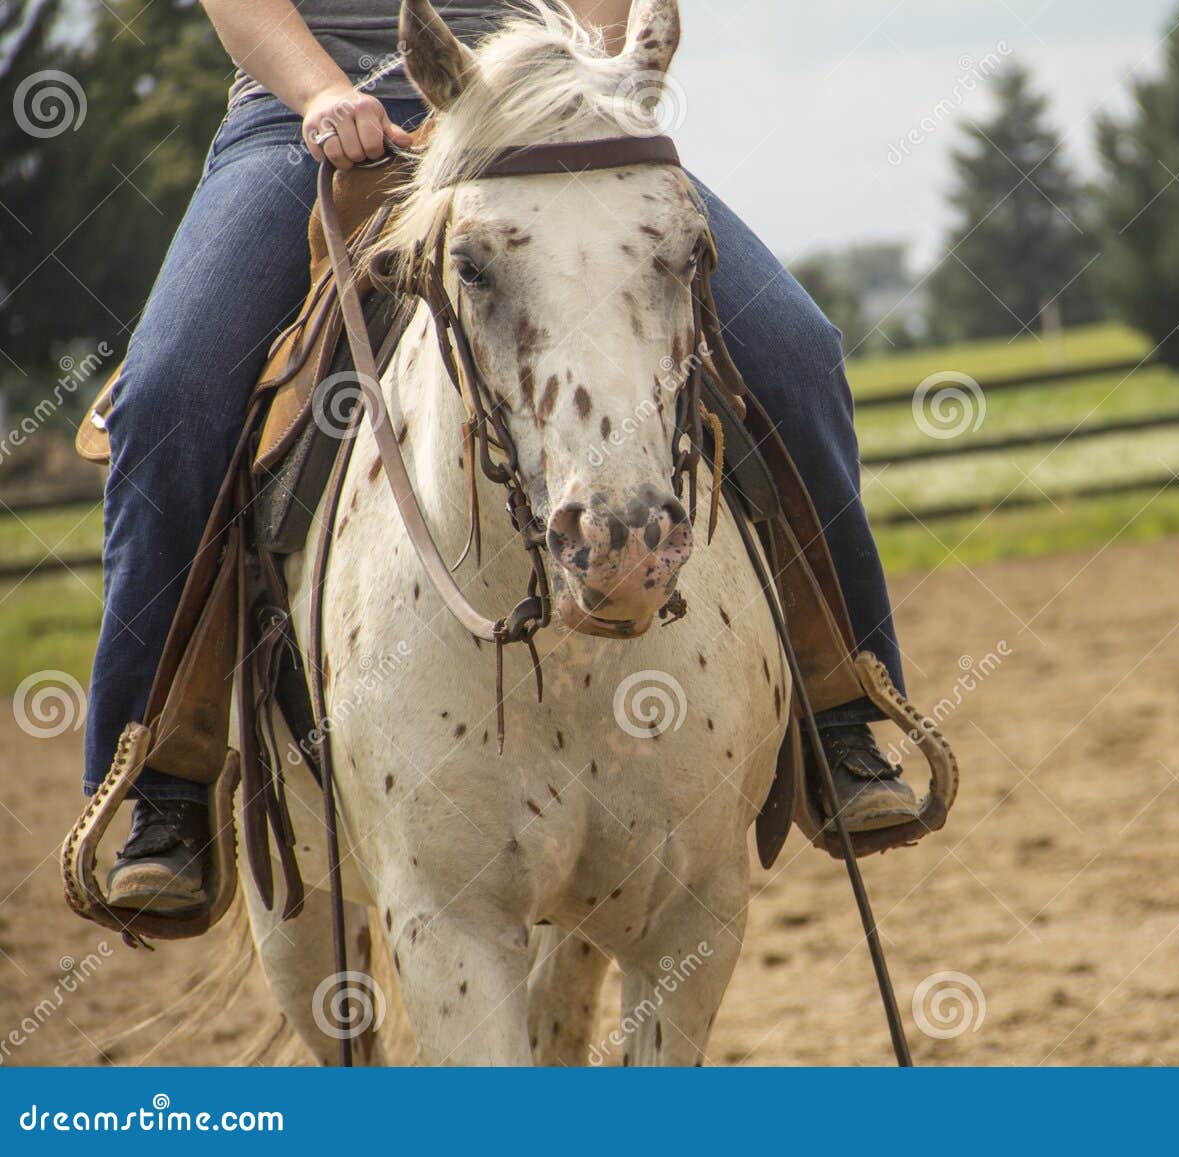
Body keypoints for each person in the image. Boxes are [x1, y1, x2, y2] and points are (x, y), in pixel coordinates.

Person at [89, 0, 913, 915]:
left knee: (796, 352)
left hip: (540, 118)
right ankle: (159, 777)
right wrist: (322, 89)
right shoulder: (312, 97)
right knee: (169, 393)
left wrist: (583, 79)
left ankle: (843, 705)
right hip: (307, 123)